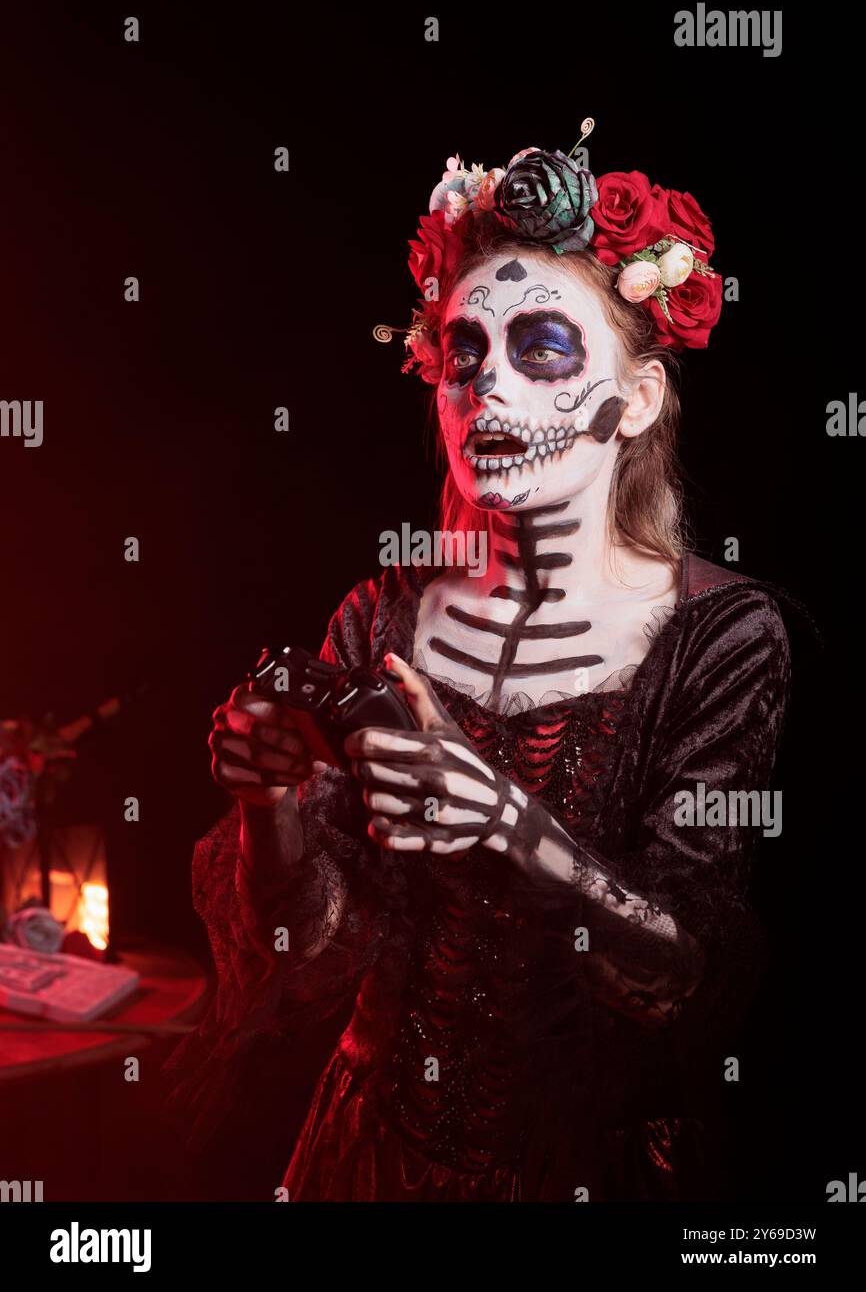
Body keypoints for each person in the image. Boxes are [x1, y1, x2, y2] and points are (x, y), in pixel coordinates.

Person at [165, 142, 791, 1200]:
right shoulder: (379, 617)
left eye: (541, 348)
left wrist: (511, 827)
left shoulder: (720, 634)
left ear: (636, 399)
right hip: (361, 1161)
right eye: (463, 353)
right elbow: (308, 963)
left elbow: (687, 984)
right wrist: (270, 803)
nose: (485, 380)